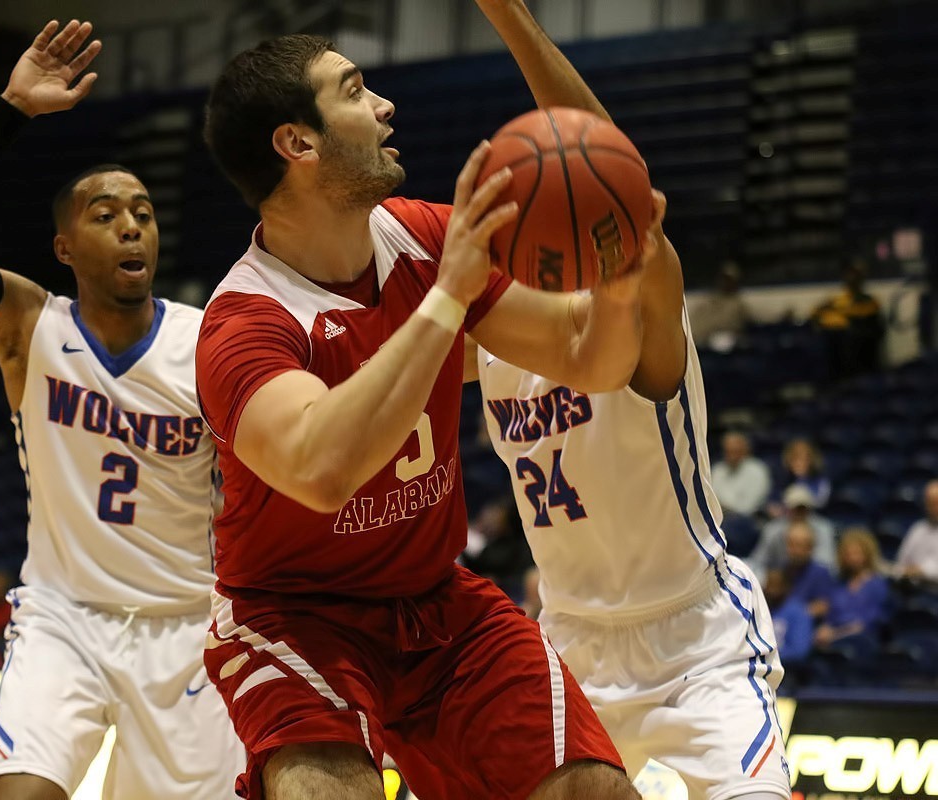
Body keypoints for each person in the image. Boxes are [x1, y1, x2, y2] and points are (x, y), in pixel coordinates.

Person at [198, 8, 651, 800]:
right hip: (296, 618)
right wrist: (448, 296)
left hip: (439, 603)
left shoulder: (423, 237)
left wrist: (614, 282)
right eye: (355, 91)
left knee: (593, 791)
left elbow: (592, 360)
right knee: (323, 791)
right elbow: (323, 467)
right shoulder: (244, 323)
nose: (384, 107)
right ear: (297, 144)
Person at [0, 20, 243, 800]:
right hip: (63, 618)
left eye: (143, 213)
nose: (130, 225)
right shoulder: (28, 326)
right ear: (63, 247)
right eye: (106, 212)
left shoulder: (206, 340)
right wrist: (10, 109)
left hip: (185, 629)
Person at [473, 2, 791, 798]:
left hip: (695, 641)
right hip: (571, 643)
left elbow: (608, 160)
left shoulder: (643, 307)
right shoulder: (489, 339)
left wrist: (509, 16)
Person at [810, 257, 884, 381]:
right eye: (850, 273)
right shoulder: (835, 301)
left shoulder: (870, 301)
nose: (853, 278)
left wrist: (844, 317)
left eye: (857, 274)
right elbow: (816, 315)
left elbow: (868, 319)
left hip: (863, 360)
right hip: (838, 363)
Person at [814, 528, 890, 649]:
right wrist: (824, 629)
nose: (853, 558)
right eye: (848, 554)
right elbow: (830, 617)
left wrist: (835, 634)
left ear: (867, 554)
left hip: (862, 642)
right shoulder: (839, 585)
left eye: (857, 553)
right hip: (833, 641)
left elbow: (867, 623)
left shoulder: (877, 584)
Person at [748, 483, 836, 581]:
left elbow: (827, 565)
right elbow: (758, 561)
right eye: (795, 509)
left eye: (802, 509)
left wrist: (798, 559)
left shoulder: (823, 528)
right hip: (781, 579)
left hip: (811, 578)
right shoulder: (773, 529)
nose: (799, 513)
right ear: (787, 509)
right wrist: (771, 574)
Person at [689, 260, 752, 351]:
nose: (725, 283)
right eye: (723, 279)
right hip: (701, 342)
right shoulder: (708, 301)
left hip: (724, 343)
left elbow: (736, 326)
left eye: (729, 280)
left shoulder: (738, 305)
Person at [711, 431, 772, 517]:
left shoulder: (757, 470)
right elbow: (711, 499)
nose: (732, 456)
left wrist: (725, 507)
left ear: (746, 451)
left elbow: (748, 506)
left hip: (748, 518)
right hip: (718, 516)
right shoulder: (717, 470)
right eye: (728, 451)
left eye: (736, 451)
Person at [767, 437, 830, 517]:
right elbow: (772, 504)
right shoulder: (781, 481)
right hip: (785, 519)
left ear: (812, 460)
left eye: (804, 459)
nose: (799, 463)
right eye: (795, 459)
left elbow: (821, 503)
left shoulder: (819, 480)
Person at [895, 479, 938, 586]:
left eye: (936, 502)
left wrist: (920, 571)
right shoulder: (917, 529)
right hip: (913, 589)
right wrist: (904, 571)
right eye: (930, 502)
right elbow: (901, 563)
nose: (934, 507)